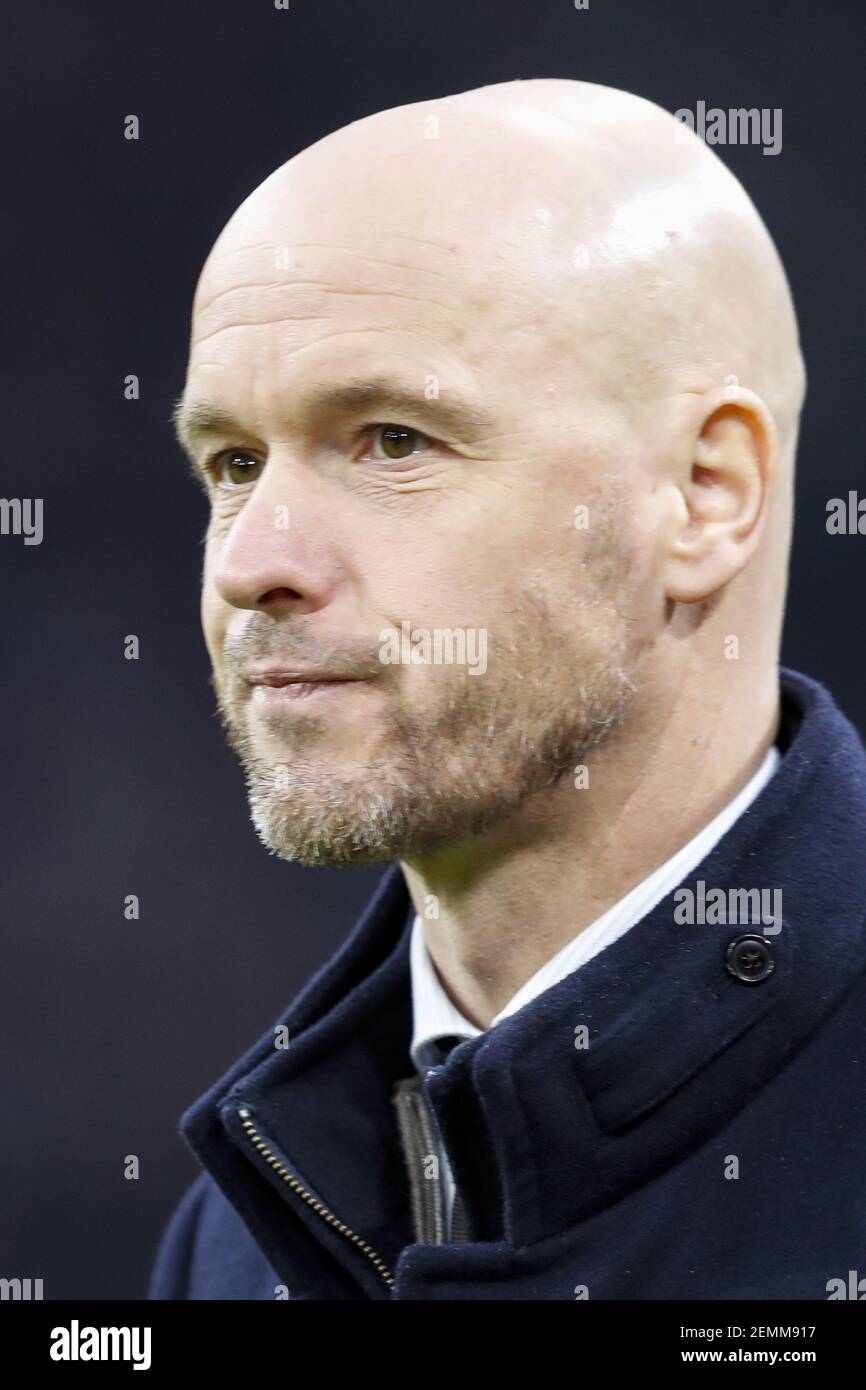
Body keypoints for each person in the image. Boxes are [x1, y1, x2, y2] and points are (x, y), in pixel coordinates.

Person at [149, 78, 866, 1300]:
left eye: (390, 440)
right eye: (231, 462)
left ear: (703, 494)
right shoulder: (235, 1232)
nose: (250, 562)